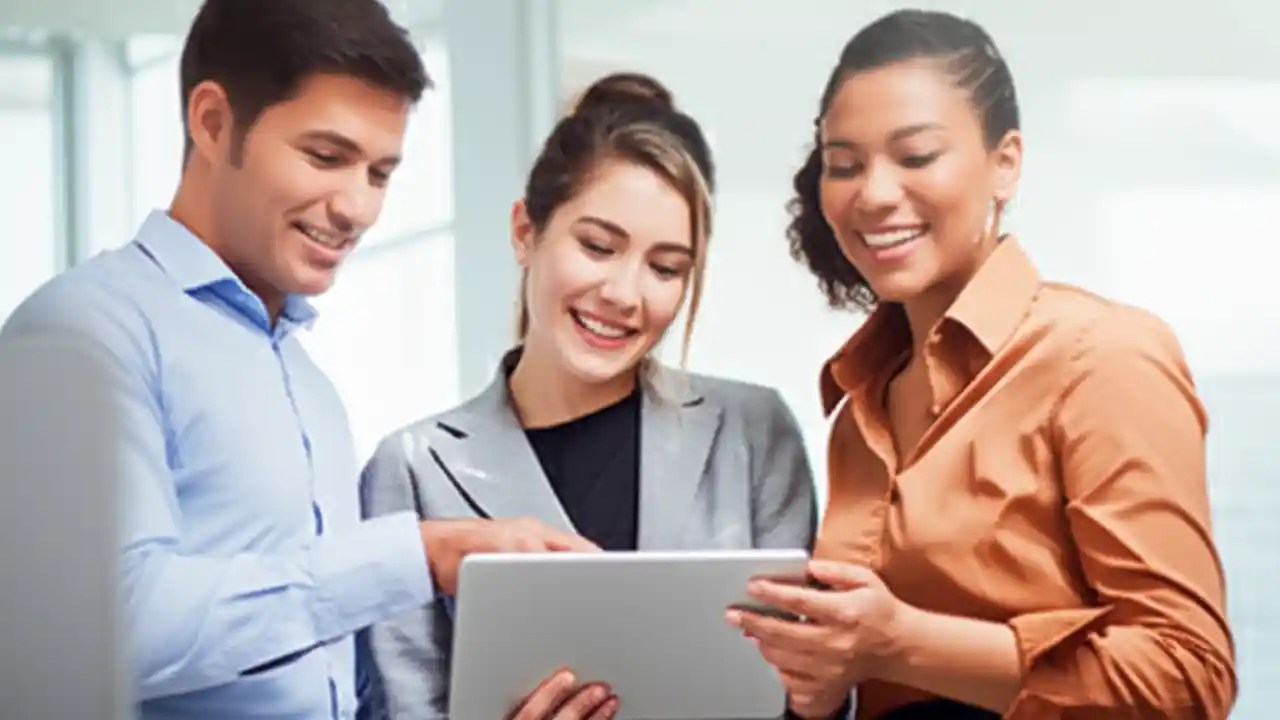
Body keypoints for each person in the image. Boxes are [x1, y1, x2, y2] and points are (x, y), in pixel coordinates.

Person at [0, 1, 597, 718]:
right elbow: (96, 630)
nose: (357, 208)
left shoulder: (309, 385)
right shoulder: (84, 332)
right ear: (213, 123)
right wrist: (418, 554)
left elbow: (323, 670)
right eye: (326, 157)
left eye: (380, 173)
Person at [724, 9, 1237, 720]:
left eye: (916, 156)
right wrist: (819, 685)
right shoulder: (858, 407)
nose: (873, 193)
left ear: (1006, 163)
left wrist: (900, 644)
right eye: (844, 165)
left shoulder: (1101, 357)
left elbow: (1187, 674)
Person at [359, 72, 818, 720]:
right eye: (598, 247)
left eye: (665, 268)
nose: (624, 294)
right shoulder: (411, 470)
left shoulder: (755, 434)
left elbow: (810, 696)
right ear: (526, 232)